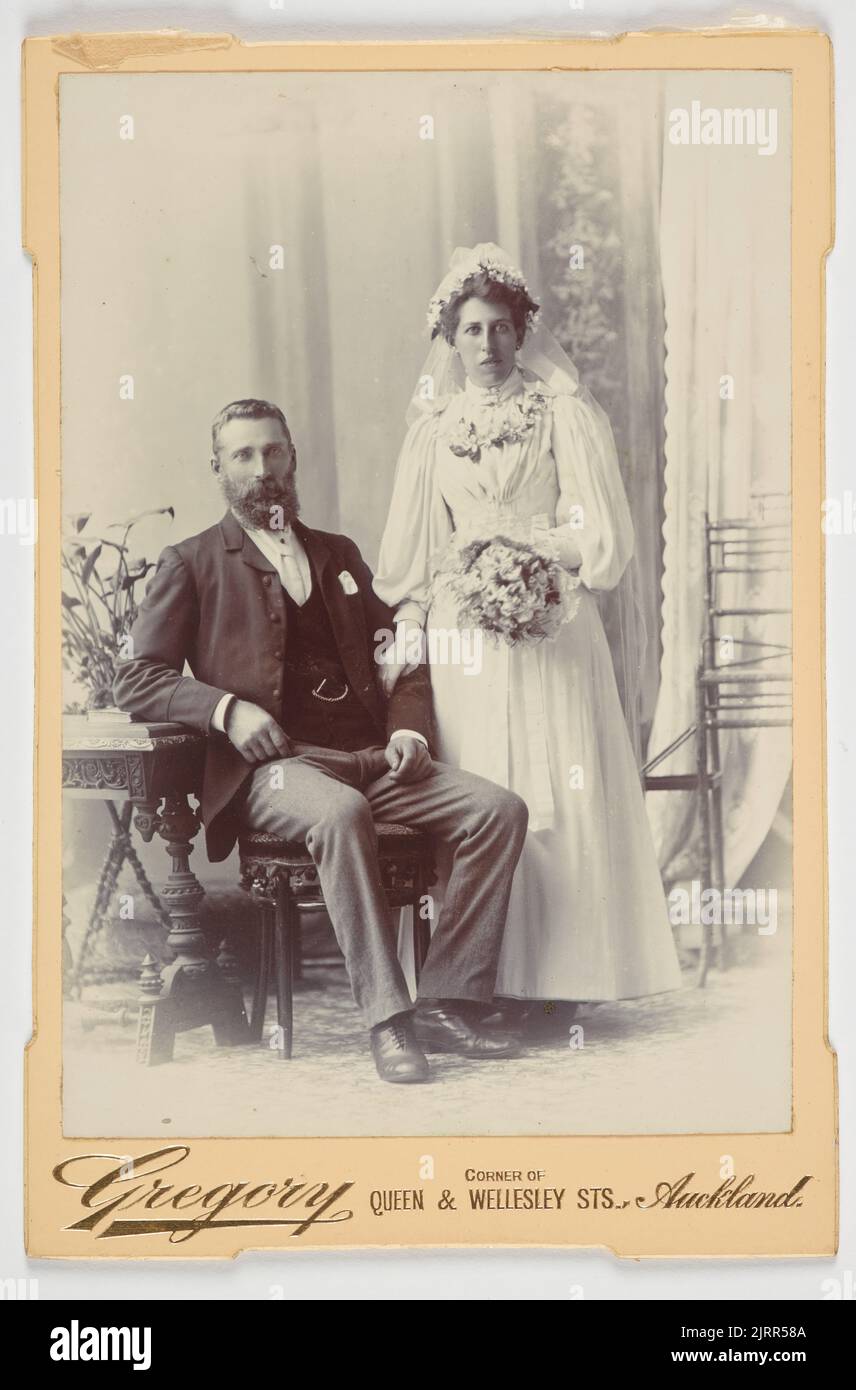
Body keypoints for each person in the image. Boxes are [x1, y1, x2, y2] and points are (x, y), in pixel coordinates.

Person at [113, 397, 529, 1084]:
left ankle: (446, 998)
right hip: (276, 770)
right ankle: (387, 1020)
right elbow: (138, 677)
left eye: (273, 452)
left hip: (370, 758)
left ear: (292, 459)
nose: (261, 470)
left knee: (497, 810)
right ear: (217, 469)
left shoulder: (338, 555)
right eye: (243, 456)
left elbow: (399, 652)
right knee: (341, 814)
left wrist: (408, 727)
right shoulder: (191, 562)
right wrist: (225, 712)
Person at [373, 244, 682, 1025]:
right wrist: (417, 630)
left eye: (502, 328)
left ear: (523, 332)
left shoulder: (562, 414)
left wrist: (531, 556)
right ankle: (484, 984)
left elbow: (603, 540)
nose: (487, 346)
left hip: (553, 628)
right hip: (464, 645)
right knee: (489, 792)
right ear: (451, 337)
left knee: (564, 793)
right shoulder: (432, 432)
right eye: (472, 330)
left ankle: (563, 982)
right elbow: (409, 562)